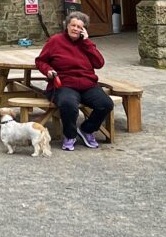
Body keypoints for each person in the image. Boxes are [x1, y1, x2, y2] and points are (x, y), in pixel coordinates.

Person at [35, 11, 114, 151]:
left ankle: (86, 130)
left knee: (105, 104)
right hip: (65, 83)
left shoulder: (86, 44)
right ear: (67, 25)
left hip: (87, 83)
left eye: (79, 27)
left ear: (84, 29)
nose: (75, 29)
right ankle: (69, 135)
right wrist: (48, 70)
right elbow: (40, 61)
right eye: (73, 25)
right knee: (68, 104)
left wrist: (87, 42)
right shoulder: (55, 41)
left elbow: (99, 63)